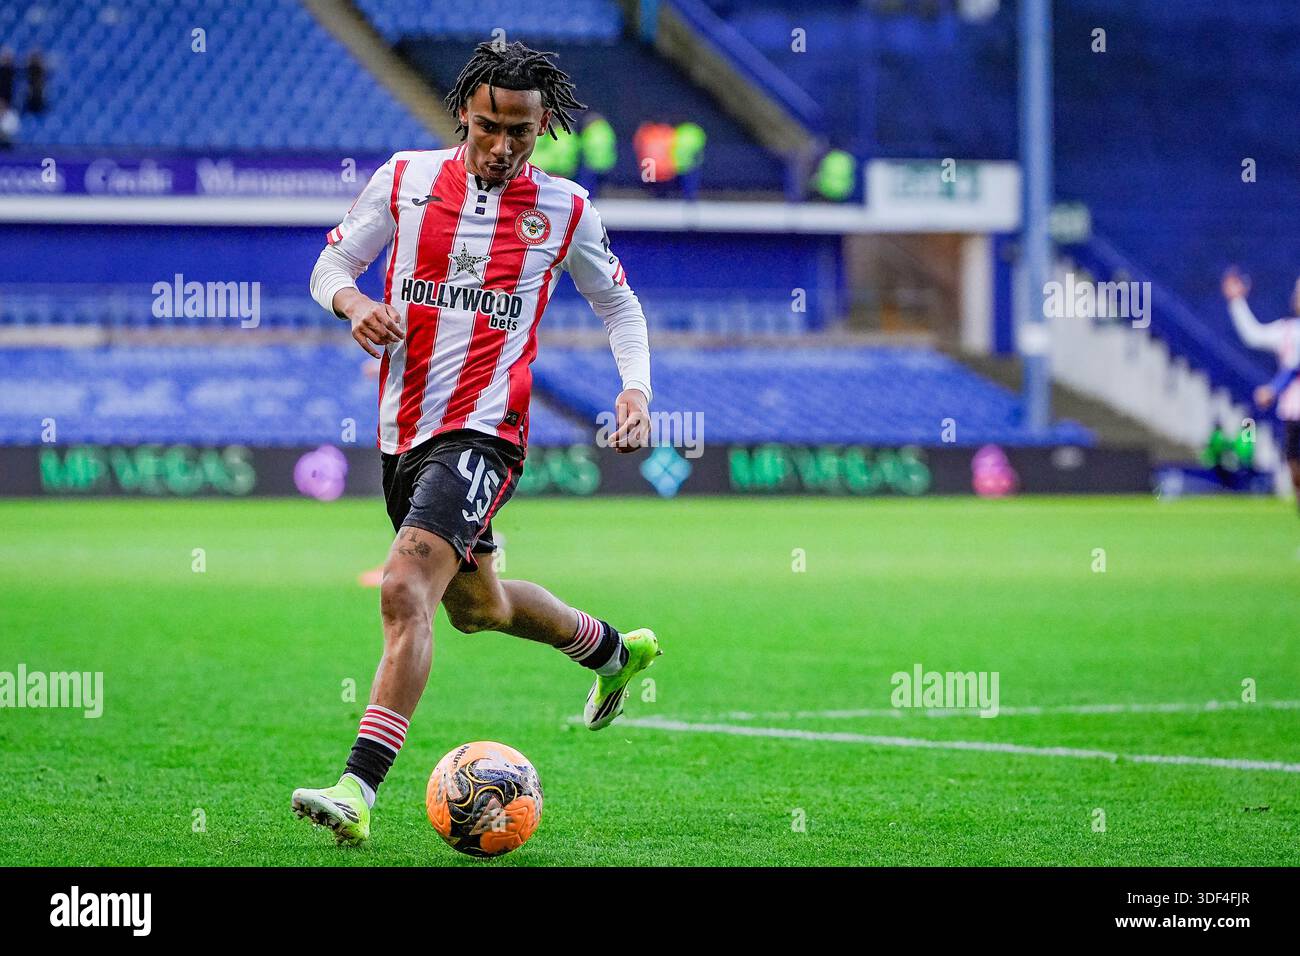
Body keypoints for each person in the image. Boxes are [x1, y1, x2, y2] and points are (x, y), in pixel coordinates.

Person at [294, 41, 661, 845]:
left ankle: (357, 789)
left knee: (405, 587)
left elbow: (619, 307)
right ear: (464, 112)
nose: (501, 146)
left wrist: (634, 390)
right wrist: (354, 304)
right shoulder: (405, 179)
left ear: (543, 126)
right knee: (476, 608)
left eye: (520, 132)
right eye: (489, 126)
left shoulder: (565, 209)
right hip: (403, 430)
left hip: (487, 431)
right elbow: (331, 267)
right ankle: (610, 652)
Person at [1221, 267, 1300, 511]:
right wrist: (1236, 302)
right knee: (1294, 466)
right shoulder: (1287, 330)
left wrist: (1273, 389)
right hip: (1293, 411)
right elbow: (1253, 335)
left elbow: (1295, 366)